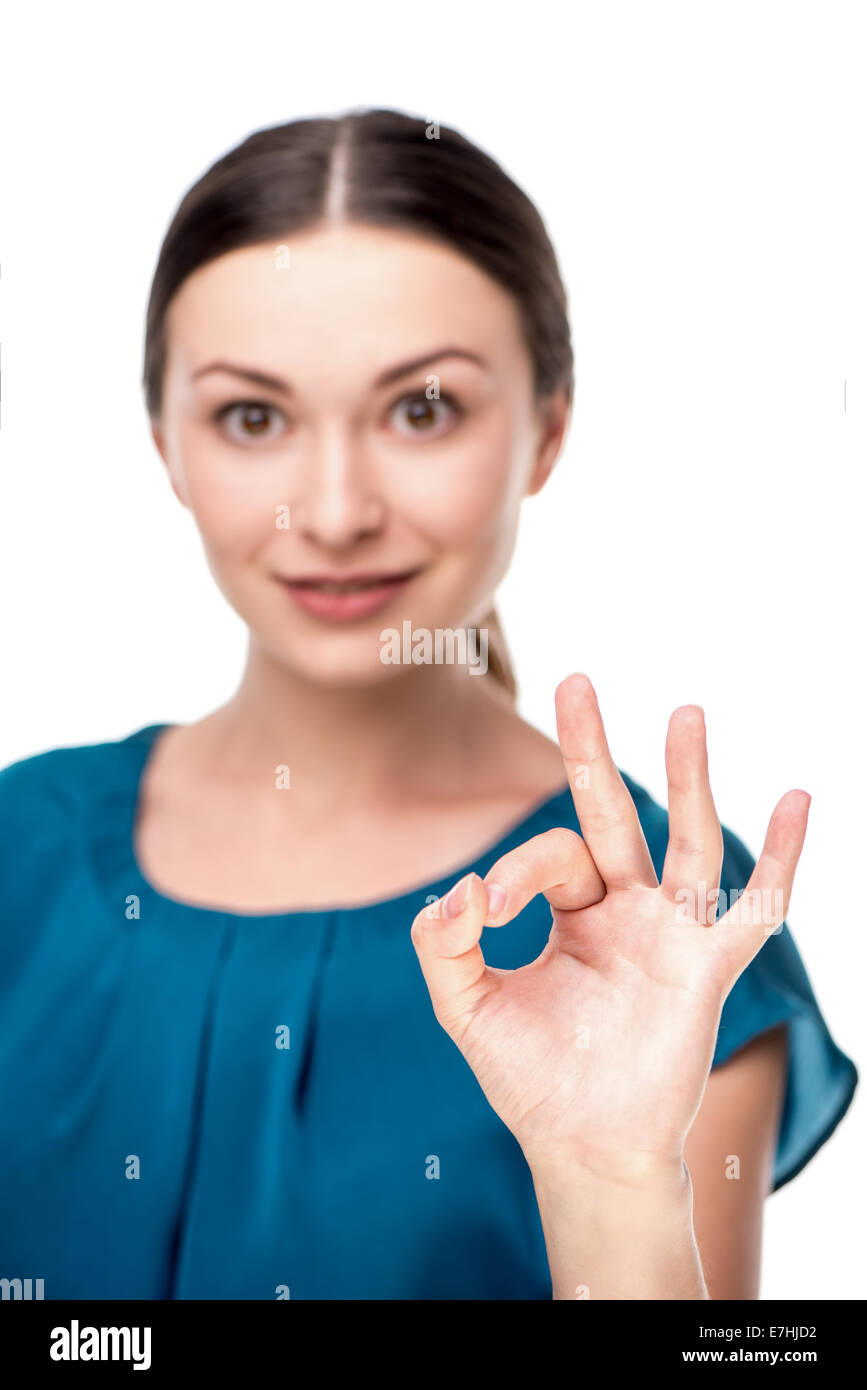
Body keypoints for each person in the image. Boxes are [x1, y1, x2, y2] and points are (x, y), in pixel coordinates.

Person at [0, 108, 856, 1300]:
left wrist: (612, 1189)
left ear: (547, 429)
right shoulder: (18, 845)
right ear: (168, 444)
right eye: (254, 416)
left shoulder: (658, 923)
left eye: (422, 409)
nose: (338, 508)